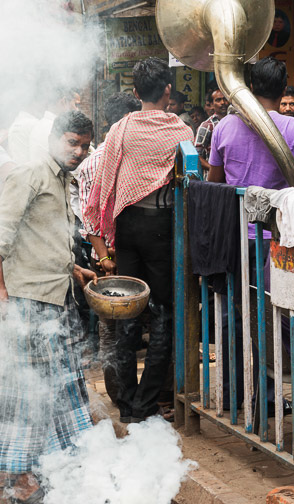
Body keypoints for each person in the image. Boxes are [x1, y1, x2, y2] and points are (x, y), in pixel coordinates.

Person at [208, 57, 294, 411]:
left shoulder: (225, 127)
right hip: (282, 242)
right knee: (277, 319)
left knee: (235, 314)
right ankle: (269, 397)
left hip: (236, 237)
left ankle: (232, 395)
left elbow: (214, 182)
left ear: (250, 87)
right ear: (284, 90)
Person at [84, 58, 193, 424]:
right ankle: (146, 402)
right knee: (163, 313)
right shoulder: (181, 130)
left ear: (135, 92)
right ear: (168, 90)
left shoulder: (122, 127)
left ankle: (128, 401)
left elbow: (106, 178)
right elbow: (188, 180)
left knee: (127, 312)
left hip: (126, 226)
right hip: (162, 226)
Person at [0, 111, 97, 502]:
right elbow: (2, 236)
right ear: (54, 138)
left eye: (85, 146)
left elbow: (41, 237)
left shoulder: (61, 179)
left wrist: (74, 268)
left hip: (57, 297)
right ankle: (16, 476)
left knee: (62, 385)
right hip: (27, 302)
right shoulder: (29, 173)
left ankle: (60, 465)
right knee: (26, 392)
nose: (79, 152)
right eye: (72, 142)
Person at [78, 92, 141, 404]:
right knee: (122, 328)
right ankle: (131, 396)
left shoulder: (91, 162)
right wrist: (106, 258)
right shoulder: (115, 160)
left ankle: (120, 395)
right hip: (117, 258)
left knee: (112, 331)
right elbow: (91, 219)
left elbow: (88, 219)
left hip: (109, 256)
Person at [28, 85, 81, 162]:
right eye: (76, 104)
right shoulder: (56, 129)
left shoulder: (40, 125)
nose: (77, 110)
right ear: (64, 101)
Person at [195, 89, 228, 173]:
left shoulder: (236, 122)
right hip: (214, 178)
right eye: (218, 100)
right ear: (212, 104)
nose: (223, 102)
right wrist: (216, 171)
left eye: (225, 99)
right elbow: (196, 156)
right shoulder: (207, 126)